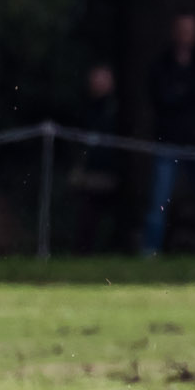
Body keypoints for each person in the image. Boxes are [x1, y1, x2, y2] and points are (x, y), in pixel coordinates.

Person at [141, 14, 195, 257]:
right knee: (159, 200)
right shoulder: (162, 64)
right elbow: (162, 98)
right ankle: (150, 250)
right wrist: (192, 92)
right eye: (182, 29)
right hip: (169, 142)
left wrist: (181, 93)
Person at [69, 63, 122, 253]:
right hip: (89, 175)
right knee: (87, 217)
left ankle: (115, 250)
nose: (99, 83)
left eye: (103, 79)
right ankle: (83, 252)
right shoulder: (84, 108)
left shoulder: (118, 109)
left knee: (114, 219)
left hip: (112, 173)